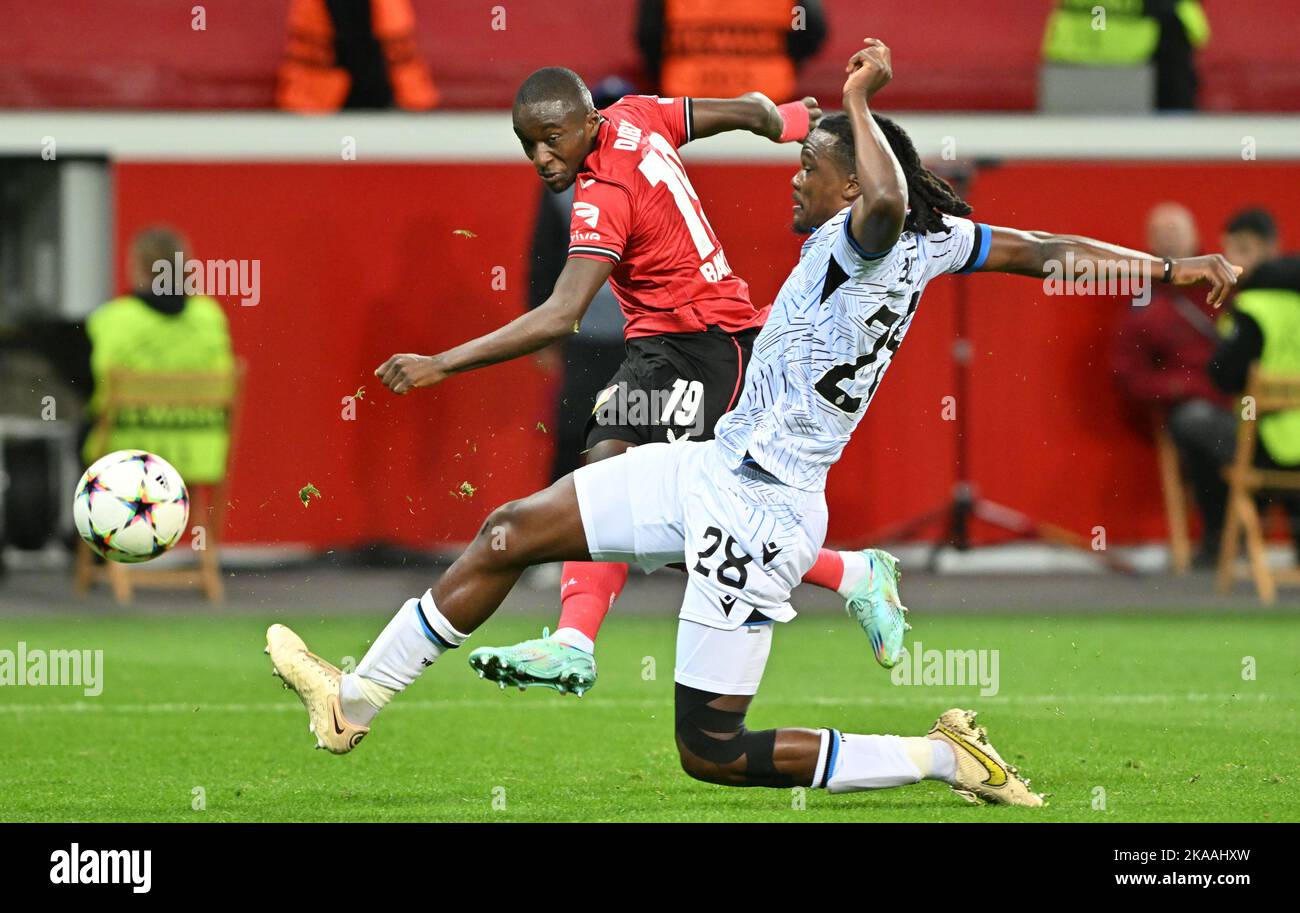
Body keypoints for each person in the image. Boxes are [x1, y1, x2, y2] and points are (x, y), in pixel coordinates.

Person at [267, 40, 1238, 806]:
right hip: (713, 468)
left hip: (762, 513)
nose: (795, 181)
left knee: (712, 753)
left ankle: (939, 760)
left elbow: (891, 197)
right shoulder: (940, 237)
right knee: (509, 531)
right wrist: (1165, 268)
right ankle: (356, 699)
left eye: (810, 172)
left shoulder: (875, 237)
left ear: (852, 186)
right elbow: (1047, 249)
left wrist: (853, 103)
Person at [374, 66, 906, 698]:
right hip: (663, 350)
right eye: (527, 144)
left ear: (585, 123)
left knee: (670, 509)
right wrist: (785, 121)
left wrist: (441, 363)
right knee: (618, 489)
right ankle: (575, 641)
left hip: (708, 345)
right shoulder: (636, 113)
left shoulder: (603, 192)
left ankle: (850, 575)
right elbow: (743, 108)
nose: (542, 158)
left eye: (551, 139)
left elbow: (560, 314)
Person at [1110, 202, 1231, 564]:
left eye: (1176, 232)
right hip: (1199, 413)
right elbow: (1127, 377)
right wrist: (1183, 387)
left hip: (1249, 406)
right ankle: (1220, 536)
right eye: (1163, 234)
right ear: (1149, 243)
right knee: (1194, 423)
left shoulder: (1227, 286)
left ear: (1195, 237)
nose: (1171, 241)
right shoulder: (1144, 304)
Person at [82, 226, 234, 486]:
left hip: (126, 457)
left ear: (137, 268)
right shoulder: (210, 316)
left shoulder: (113, 319)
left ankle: (86, 524)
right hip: (200, 456)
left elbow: (95, 394)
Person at [1208, 252, 1300, 557]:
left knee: (1194, 427)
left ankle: (1222, 546)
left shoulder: (1251, 309)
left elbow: (1224, 375)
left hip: (1264, 444)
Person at [635, 0, 827, 102]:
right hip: (766, 100)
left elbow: (650, 35)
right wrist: (789, 61)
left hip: (688, 104)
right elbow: (808, 30)